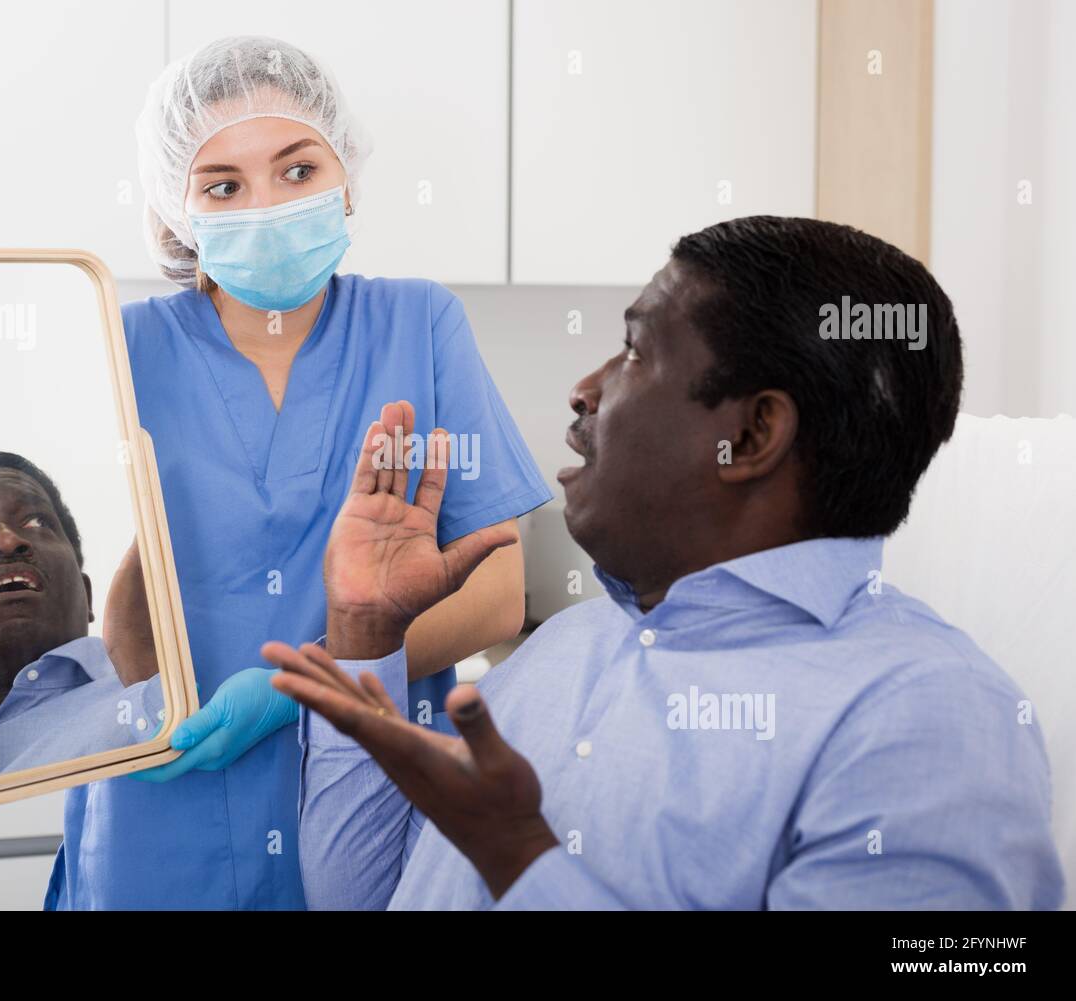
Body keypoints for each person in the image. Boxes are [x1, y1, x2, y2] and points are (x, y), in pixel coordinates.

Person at [0, 36, 550, 908]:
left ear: (346, 175)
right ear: (174, 211)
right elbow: (0, 548)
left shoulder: (420, 323)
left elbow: (496, 593)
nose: (264, 205)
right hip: (156, 837)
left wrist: (293, 686)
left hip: (371, 817)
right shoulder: (111, 346)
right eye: (222, 185)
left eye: (297, 170)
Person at [266, 216, 1065, 910]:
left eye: (634, 352)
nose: (584, 390)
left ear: (751, 436)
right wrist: (367, 631)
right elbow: (367, 897)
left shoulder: (927, 725)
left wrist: (518, 857)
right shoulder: (569, 648)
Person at [0, 452, 163, 783]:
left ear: (86, 594)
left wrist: (155, 686)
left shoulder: (164, 696)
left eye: (37, 522)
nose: (7, 541)